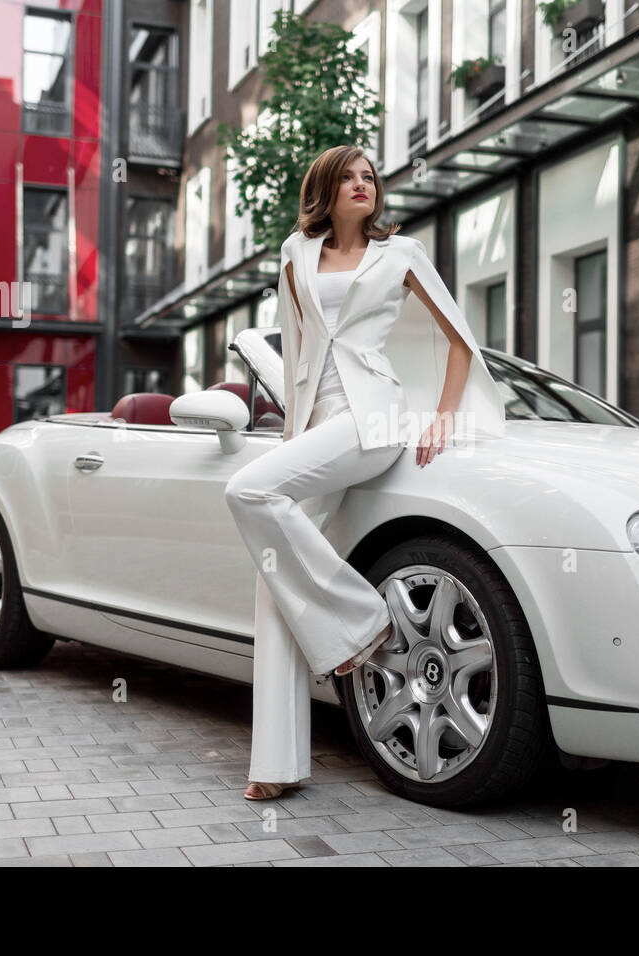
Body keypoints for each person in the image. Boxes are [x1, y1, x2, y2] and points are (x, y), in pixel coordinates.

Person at [223, 144, 502, 801]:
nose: (361, 184)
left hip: (373, 417)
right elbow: (296, 350)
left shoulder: (400, 256)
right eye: (348, 176)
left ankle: (362, 621)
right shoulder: (296, 252)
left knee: (248, 488)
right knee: (274, 574)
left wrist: (441, 417)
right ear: (325, 186)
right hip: (317, 424)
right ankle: (275, 765)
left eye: (369, 176)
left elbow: (460, 339)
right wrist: (293, 432)